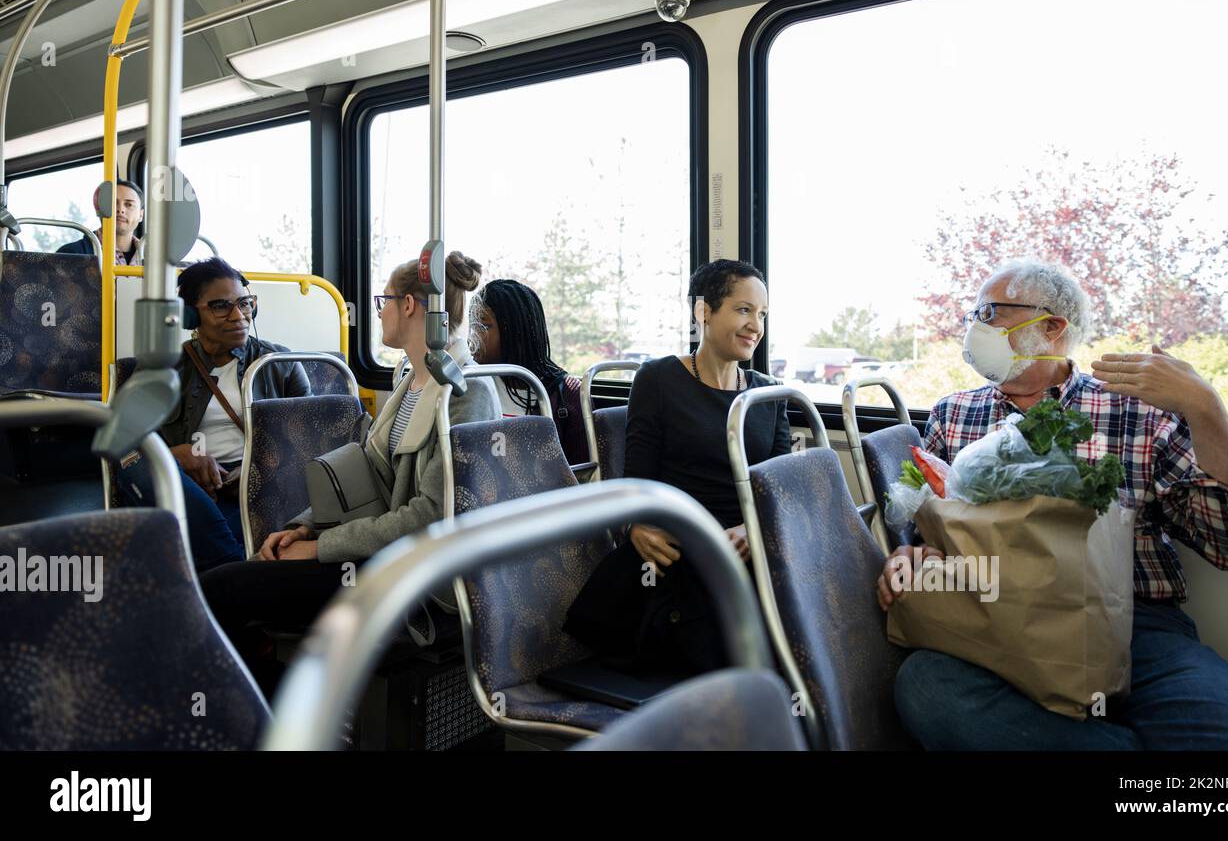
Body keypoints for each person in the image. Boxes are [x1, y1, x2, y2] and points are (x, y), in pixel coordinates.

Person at [879, 258, 1228, 750]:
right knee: (924, 686)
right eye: (972, 313)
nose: (973, 327)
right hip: (993, 618)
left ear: (1052, 327)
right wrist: (913, 554)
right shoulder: (954, 414)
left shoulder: (1136, 409)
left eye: (989, 312)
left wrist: (1207, 411)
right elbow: (932, 529)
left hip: (1135, 625)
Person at [200, 252, 500, 694]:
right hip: (376, 552)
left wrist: (323, 548)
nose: (382, 312)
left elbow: (431, 516)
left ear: (411, 306)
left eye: (386, 301)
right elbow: (367, 469)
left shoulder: (464, 392)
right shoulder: (412, 381)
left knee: (220, 590)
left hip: (413, 574)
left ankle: (263, 720)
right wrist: (304, 528)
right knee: (236, 580)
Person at [564, 259, 790, 674]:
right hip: (678, 548)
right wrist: (636, 527)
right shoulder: (658, 379)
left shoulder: (768, 394)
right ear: (703, 311)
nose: (755, 326)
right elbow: (637, 481)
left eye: (761, 315)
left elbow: (779, 489)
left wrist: (750, 528)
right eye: (743, 310)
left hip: (747, 548)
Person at [118, 257, 310, 572]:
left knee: (204, 539)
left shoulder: (280, 363)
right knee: (139, 467)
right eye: (221, 306)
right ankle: (240, 571)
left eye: (245, 304)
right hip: (194, 487)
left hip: (261, 484)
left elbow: (311, 443)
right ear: (191, 315)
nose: (238, 316)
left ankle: (231, 573)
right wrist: (174, 456)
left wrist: (260, 468)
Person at [470, 278, 588, 464]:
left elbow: (583, 475)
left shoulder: (568, 394)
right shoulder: (474, 385)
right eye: (472, 325)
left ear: (515, 332)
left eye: (483, 326)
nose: (472, 336)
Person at [57, 179, 145, 265]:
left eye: (129, 205)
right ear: (101, 209)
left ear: (141, 214)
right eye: (113, 203)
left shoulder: (152, 256)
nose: (120, 210)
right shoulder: (71, 254)